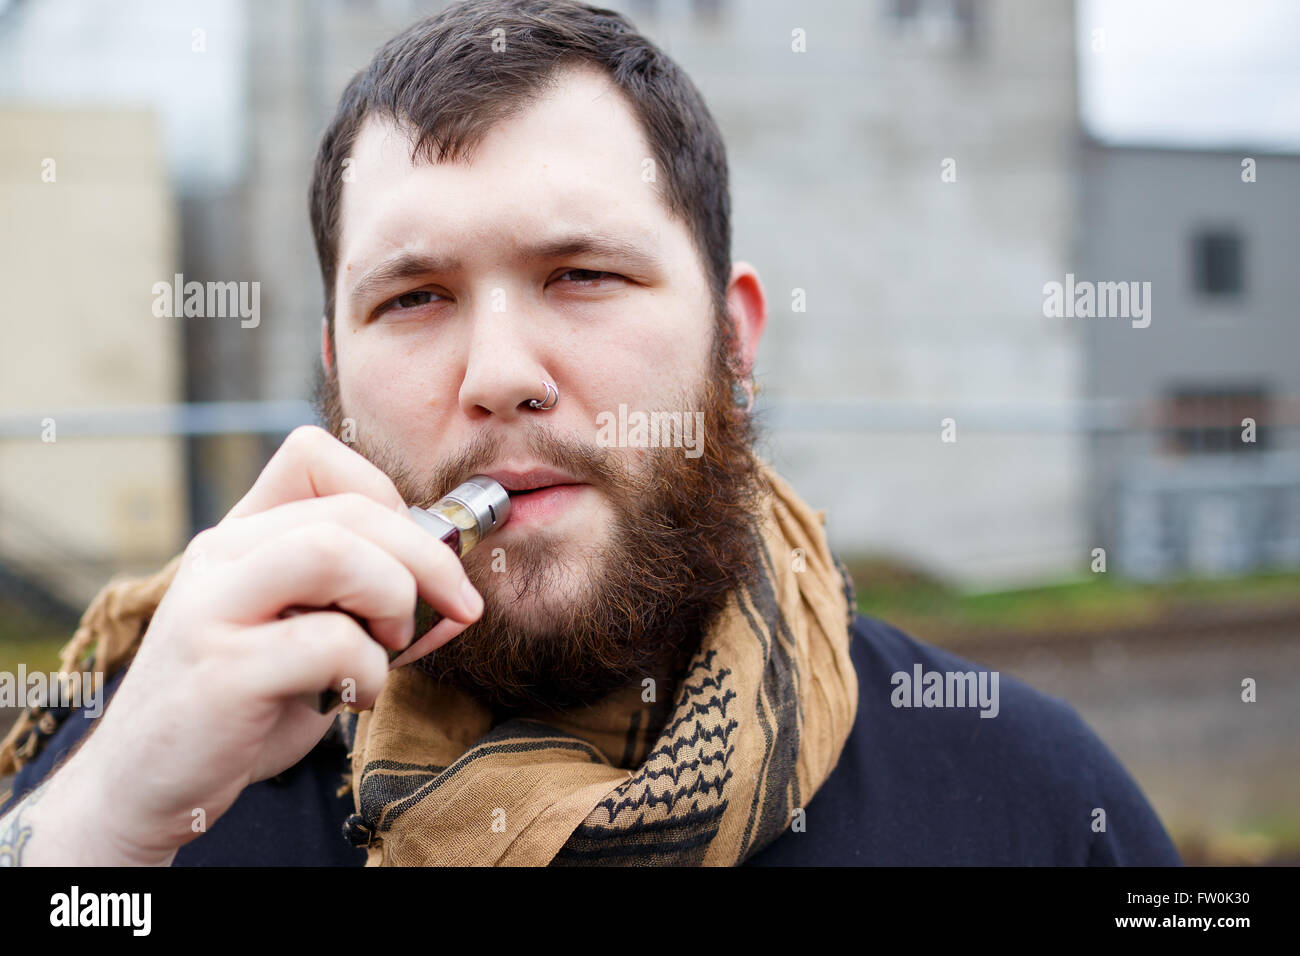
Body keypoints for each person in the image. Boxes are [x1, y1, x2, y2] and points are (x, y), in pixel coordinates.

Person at [0, 0, 1179, 867]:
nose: (501, 375)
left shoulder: (1031, 798)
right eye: (412, 298)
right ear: (334, 373)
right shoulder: (162, 787)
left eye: (583, 274)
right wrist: (103, 821)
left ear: (732, 338)